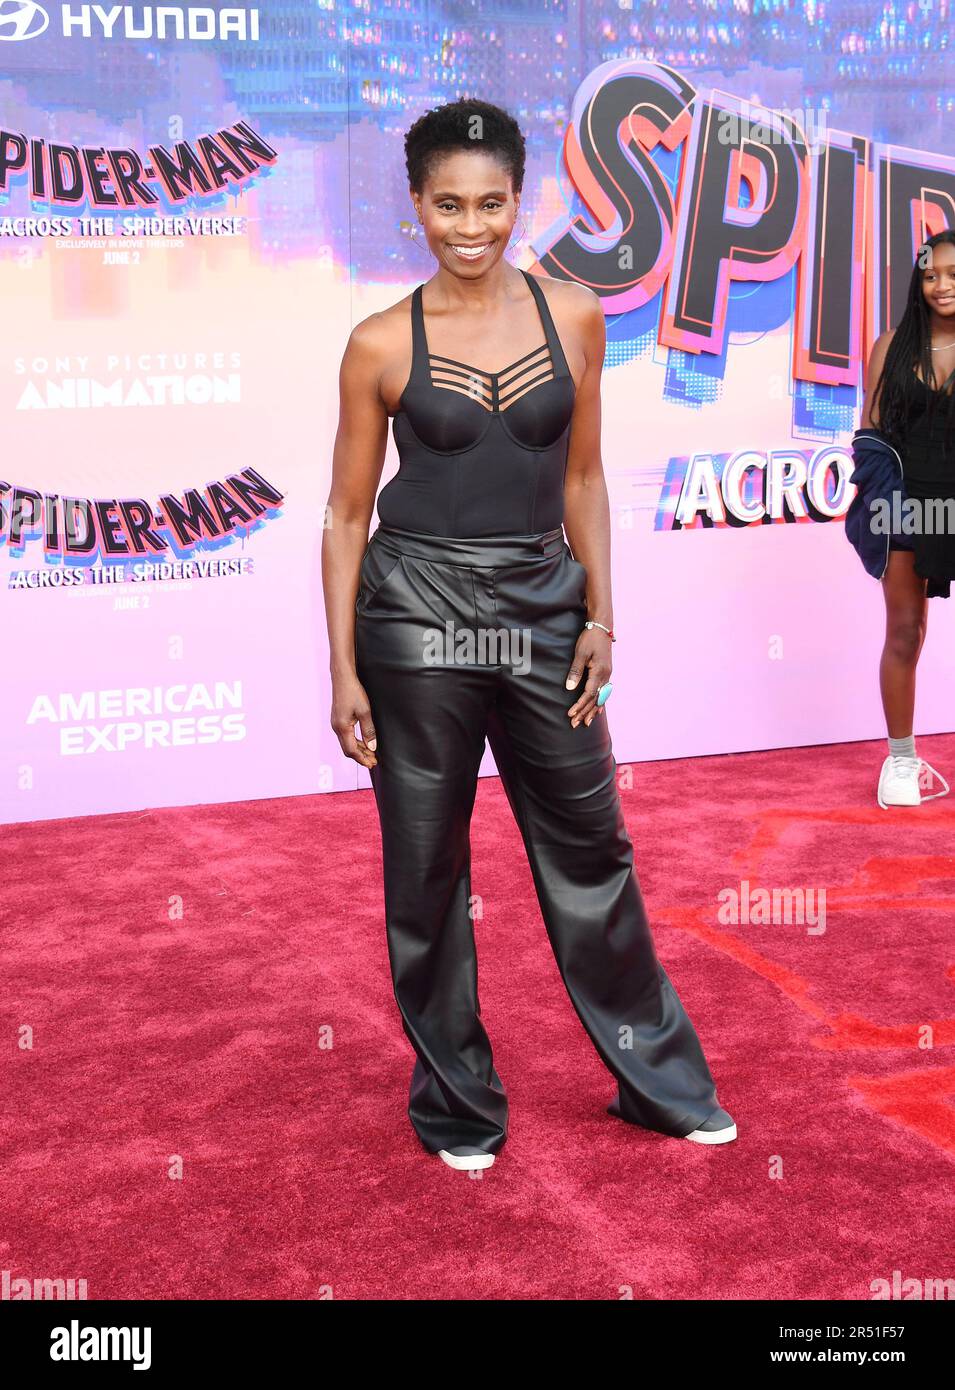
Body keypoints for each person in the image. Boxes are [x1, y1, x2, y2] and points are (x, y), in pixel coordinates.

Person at [322, 98, 736, 1171]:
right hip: (414, 617)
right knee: (426, 868)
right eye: (448, 204)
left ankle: (661, 1081)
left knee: (591, 848)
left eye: (491, 202)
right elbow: (345, 516)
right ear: (416, 204)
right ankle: (457, 1102)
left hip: (545, 609)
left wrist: (602, 613)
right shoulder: (376, 342)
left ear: (521, 199)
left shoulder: (576, 315)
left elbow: (585, 477)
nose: (470, 224)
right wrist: (342, 672)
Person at [852, 230, 955, 808]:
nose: (943, 285)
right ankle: (901, 760)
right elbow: (870, 433)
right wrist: (881, 508)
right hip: (908, 503)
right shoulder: (892, 345)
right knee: (905, 630)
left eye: (954, 274)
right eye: (932, 274)